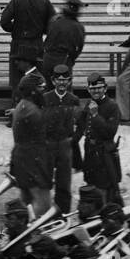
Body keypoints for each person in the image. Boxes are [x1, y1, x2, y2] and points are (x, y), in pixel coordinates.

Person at [0, 0, 55, 94]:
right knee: (38, 84)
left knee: (17, 84)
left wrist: (16, 29)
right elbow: (52, 24)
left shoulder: (16, 1)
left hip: (18, 46)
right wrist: (42, 30)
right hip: (36, 45)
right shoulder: (45, 2)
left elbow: (4, 22)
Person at [74, 72, 123, 207]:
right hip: (90, 151)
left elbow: (109, 132)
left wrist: (95, 115)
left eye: (99, 88)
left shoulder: (112, 106)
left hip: (104, 153)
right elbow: (82, 123)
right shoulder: (90, 103)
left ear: (105, 88)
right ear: (89, 90)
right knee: (91, 184)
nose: (96, 91)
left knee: (105, 187)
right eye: (93, 89)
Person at [42, 62, 83, 215]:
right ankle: (44, 214)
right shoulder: (45, 99)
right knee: (44, 181)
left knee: (64, 183)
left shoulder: (73, 100)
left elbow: (81, 123)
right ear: (53, 81)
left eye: (64, 80)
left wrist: (74, 140)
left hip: (65, 146)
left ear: (69, 81)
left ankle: (63, 214)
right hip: (48, 144)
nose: (61, 83)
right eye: (58, 80)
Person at [9, 72, 52, 217]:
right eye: (41, 88)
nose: (44, 91)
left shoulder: (22, 106)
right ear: (32, 90)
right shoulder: (33, 112)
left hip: (21, 157)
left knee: (25, 198)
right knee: (43, 201)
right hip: (34, 159)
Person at [41, 0, 86, 77]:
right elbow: (79, 47)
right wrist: (71, 59)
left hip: (48, 58)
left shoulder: (54, 20)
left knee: (47, 86)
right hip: (64, 60)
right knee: (64, 86)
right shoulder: (78, 27)